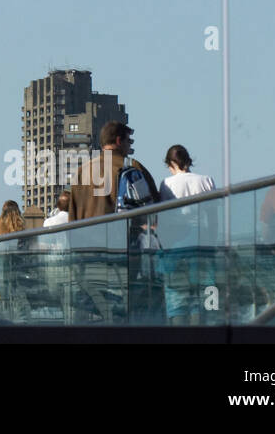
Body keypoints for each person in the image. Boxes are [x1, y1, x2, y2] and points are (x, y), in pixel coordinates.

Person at [155, 145, 215, 325]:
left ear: (171, 163)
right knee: (203, 298)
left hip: (175, 246)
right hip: (202, 243)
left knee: (177, 300)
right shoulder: (206, 181)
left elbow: (163, 220)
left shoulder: (166, 184)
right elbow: (213, 218)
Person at [68, 122, 158, 220]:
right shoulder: (131, 166)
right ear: (119, 141)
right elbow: (155, 203)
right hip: (120, 233)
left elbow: (72, 218)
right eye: (129, 141)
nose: (129, 146)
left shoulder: (81, 171)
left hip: (85, 234)